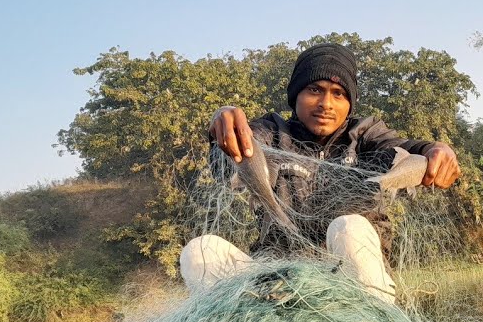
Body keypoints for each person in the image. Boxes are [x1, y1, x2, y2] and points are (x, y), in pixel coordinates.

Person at [180, 43, 460, 304]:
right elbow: (229, 161)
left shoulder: (365, 135)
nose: (326, 104)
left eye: (338, 94)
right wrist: (223, 126)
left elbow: (404, 148)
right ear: (296, 96)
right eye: (314, 90)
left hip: (351, 285)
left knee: (348, 227)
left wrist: (434, 149)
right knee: (199, 252)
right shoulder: (271, 131)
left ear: (350, 103)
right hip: (280, 284)